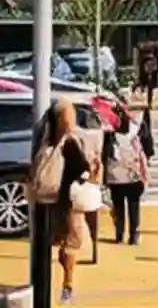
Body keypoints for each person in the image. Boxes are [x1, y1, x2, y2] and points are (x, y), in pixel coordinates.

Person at [32, 98, 96, 305]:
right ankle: (65, 284)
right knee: (69, 243)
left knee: (59, 243)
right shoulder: (69, 141)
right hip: (66, 200)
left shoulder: (46, 141)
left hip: (53, 199)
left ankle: (62, 283)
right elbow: (82, 168)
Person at [103, 106, 149, 245]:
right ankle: (134, 234)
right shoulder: (134, 136)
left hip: (115, 177)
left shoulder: (109, 137)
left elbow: (104, 157)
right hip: (132, 176)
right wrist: (145, 173)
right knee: (134, 206)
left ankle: (119, 234)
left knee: (118, 206)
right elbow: (142, 154)